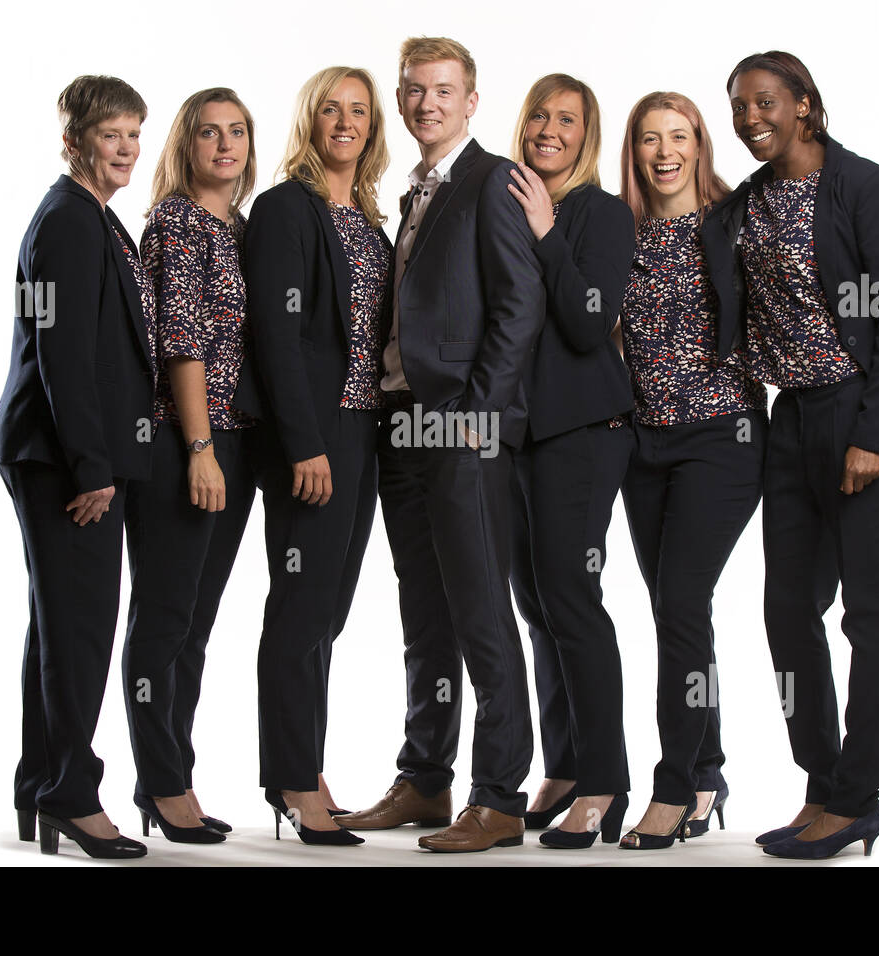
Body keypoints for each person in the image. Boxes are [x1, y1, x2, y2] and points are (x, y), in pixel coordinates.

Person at [708, 51, 879, 859]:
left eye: (764, 101)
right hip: (788, 420)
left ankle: (859, 795)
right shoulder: (749, 204)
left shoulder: (864, 186)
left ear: (804, 104)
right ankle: (822, 781)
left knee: (870, 613)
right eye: (737, 105)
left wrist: (872, 433)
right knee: (788, 612)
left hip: (863, 410)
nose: (750, 116)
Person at [338, 36, 542, 853]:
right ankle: (426, 779)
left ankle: (497, 797)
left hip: (462, 429)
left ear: (471, 101)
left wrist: (475, 416)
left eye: (443, 91)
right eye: (415, 90)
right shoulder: (414, 194)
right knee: (425, 615)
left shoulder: (491, 182)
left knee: (482, 615)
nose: (427, 103)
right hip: (400, 426)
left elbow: (518, 308)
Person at [0, 75, 155, 859]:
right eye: (111, 134)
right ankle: (72, 797)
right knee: (82, 627)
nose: (125, 148)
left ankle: (40, 787)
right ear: (75, 141)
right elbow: (61, 355)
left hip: (60, 453)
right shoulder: (67, 223)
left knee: (60, 626)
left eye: (133, 133)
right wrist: (92, 467)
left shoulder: (90, 218)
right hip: (62, 460)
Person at [233, 66, 393, 847]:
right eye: (330, 108)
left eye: (358, 110)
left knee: (327, 612)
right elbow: (275, 333)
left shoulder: (369, 220)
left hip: (365, 434)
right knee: (299, 609)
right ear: (310, 120)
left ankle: (307, 764)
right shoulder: (284, 210)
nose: (345, 121)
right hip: (314, 437)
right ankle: (293, 778)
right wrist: (304, 442)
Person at [615, 92, 769, 850]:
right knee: (678, 612)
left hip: (722, 436)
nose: (664, 151)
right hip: (645, 445)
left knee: (680, 603)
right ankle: (708, 770)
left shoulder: (736, 221)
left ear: (701, 144)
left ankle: (674, 786)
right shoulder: (620, 230)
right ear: (635, 150)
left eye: (679, 136)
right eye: (650, 139)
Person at [120, 88, 260, 845]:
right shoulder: (176, 222)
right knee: (165, 618)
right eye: (209, 133)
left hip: (233, 439)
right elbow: (183, 342)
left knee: (196, 625)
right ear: (188, 145)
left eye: (237, 131)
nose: (225, 144)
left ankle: (175, 775)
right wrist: (201, 449)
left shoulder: (237, 228)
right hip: (185, 440)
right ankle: (161, 785)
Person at [502, 74, 636, 848]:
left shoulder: (598, 213)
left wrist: (549, 232)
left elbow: (590, 325)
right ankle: (565, 764)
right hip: (521, 435)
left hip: (583, 432)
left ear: (587, 135)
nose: (549, 131)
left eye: (567, 121)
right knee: (537, 606)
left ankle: (606, 783)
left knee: (573, 601)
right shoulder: (511, 205)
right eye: (539, 118)